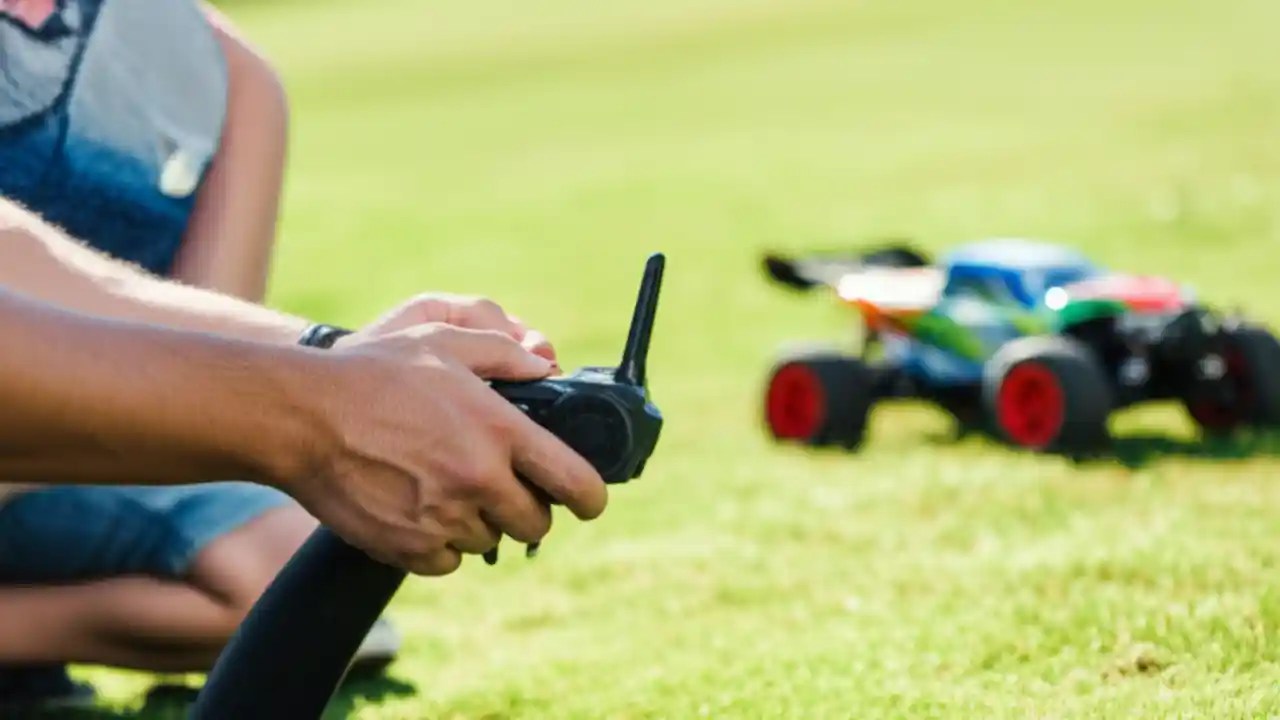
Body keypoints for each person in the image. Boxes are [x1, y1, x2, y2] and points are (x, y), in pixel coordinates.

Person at [0, 0, 607, 709]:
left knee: (294, 569)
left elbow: (203, 387)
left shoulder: (232, 79)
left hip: (63, 466)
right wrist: (321, 390)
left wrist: (342, 364)